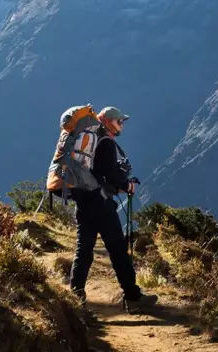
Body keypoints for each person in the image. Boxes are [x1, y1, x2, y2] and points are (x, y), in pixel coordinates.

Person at [66, 106, 157, 312]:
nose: (121, 125)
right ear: (108, 122)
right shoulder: (106, 143)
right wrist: (127, 185)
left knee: (84, 250)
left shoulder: (90, 140)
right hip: (101, 206)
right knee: (117, 250)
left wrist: (116, 184)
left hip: (84, 202)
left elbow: (99, 175)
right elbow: (111, 175)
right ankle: (133, 298)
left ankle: (75, 297)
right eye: (119, 121)